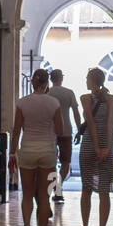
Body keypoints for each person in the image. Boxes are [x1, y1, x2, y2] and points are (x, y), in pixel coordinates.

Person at [9, 67, 64, 226]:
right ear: (46, 83)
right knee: (43, 196)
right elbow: (60, 129)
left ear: (32, 82)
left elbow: (16, 131)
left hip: (28, 151)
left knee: (27, 194)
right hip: (47, 151)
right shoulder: (54, 103)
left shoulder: (22, 103)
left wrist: (11, 154)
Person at [75, 66, 113, 226]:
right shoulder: (111, 98)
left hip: (90, 145)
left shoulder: (85, 98)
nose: (85, 81)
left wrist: (97, 147)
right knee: (104, 191)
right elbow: (110, 123)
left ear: (92, 81)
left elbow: (90, 123)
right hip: (107, 145)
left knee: (87, 188)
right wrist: (106, 147)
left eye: (87, 78)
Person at [47, 68, 81, 203]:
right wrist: (79, 130)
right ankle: (59, 185)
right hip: (66, 130)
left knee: (51, 162)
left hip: (50, 131)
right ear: (61, 78)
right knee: (66, 161)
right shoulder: (68, 93)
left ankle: (55, 187)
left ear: (51, 79)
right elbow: (76, 112)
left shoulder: (46, 93)